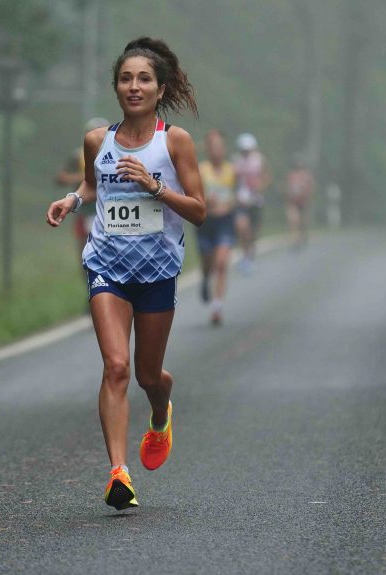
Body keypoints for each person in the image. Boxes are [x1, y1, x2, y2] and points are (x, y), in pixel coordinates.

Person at [46, 37, 205, 510]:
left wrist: (154, 187)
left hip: (156, 270)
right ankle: (119, 474)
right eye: (125, 79)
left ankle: (161, 410)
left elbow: (198, 210)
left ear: (160, 89)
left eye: (144, 79)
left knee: (148, 375)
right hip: (107, 265)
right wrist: (71, 200)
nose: (134, 87)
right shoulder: (98, 141)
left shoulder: (174, 141)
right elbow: (91, 183)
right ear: (116, 87)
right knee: (115, 367)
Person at [196, 129, 236, 325]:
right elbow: (191, 193)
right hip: (205, 221)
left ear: (224, 148)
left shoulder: (231, 170)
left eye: (219, 147)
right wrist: (204, 200)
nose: (216, 151)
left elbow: (238, 194)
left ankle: (217, 307)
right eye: (212, 147)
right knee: (208, 263)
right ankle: (205, 278)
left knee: (221, 263)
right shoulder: (201, 169)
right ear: (207, 149)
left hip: (225, 221)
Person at [55, 117, 110, 250]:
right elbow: (61, 178)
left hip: (110, 206)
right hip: (85, 208)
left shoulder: (118, 153)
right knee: (85, 245)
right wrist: (85, 177)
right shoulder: (79, 156)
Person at [232, 132, 271, 272]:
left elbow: (267, 176)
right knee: (242, 228)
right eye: (243, 150)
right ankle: (244, 256)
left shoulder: (260, 160)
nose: (246, 152)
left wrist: (261, 187)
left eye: (248, 150)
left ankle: (250, 256)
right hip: (242, 201)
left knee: (253, 232)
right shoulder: (236, 161)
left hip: (256, 201)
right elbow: (232, 180)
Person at [284, 153, 315, 250]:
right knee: (294, 221)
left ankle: (303, 235)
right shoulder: (291, 175)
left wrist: (307, 194)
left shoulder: (306, 175)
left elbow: (311, 186)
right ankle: (295, 240)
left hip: (304, 201)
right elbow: (287, 187)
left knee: (303, 222)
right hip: (293, 201)